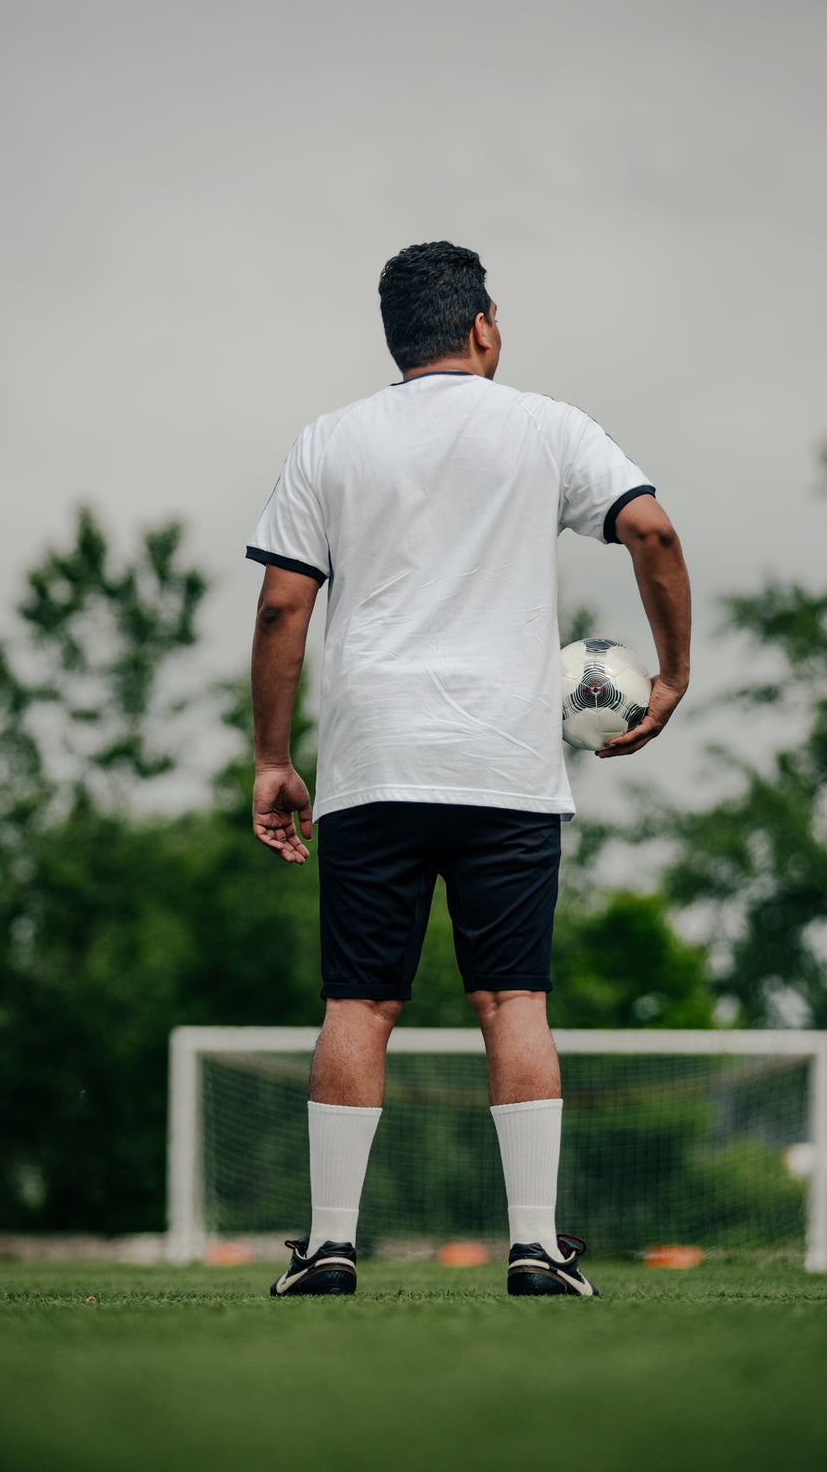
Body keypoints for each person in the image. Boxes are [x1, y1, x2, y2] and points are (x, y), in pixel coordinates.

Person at [247, 241, 691, 1298]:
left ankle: (330, 1248)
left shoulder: (330, 441)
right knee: (512, 1000)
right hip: (505, 765)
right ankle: (535, 1248)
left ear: (397, 338)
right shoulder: (547, 427)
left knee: (359, 1007)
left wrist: (272, 755)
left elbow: (280, 606)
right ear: (481, 325)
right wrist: (670, 674)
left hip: (373, 764)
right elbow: (653, 532)